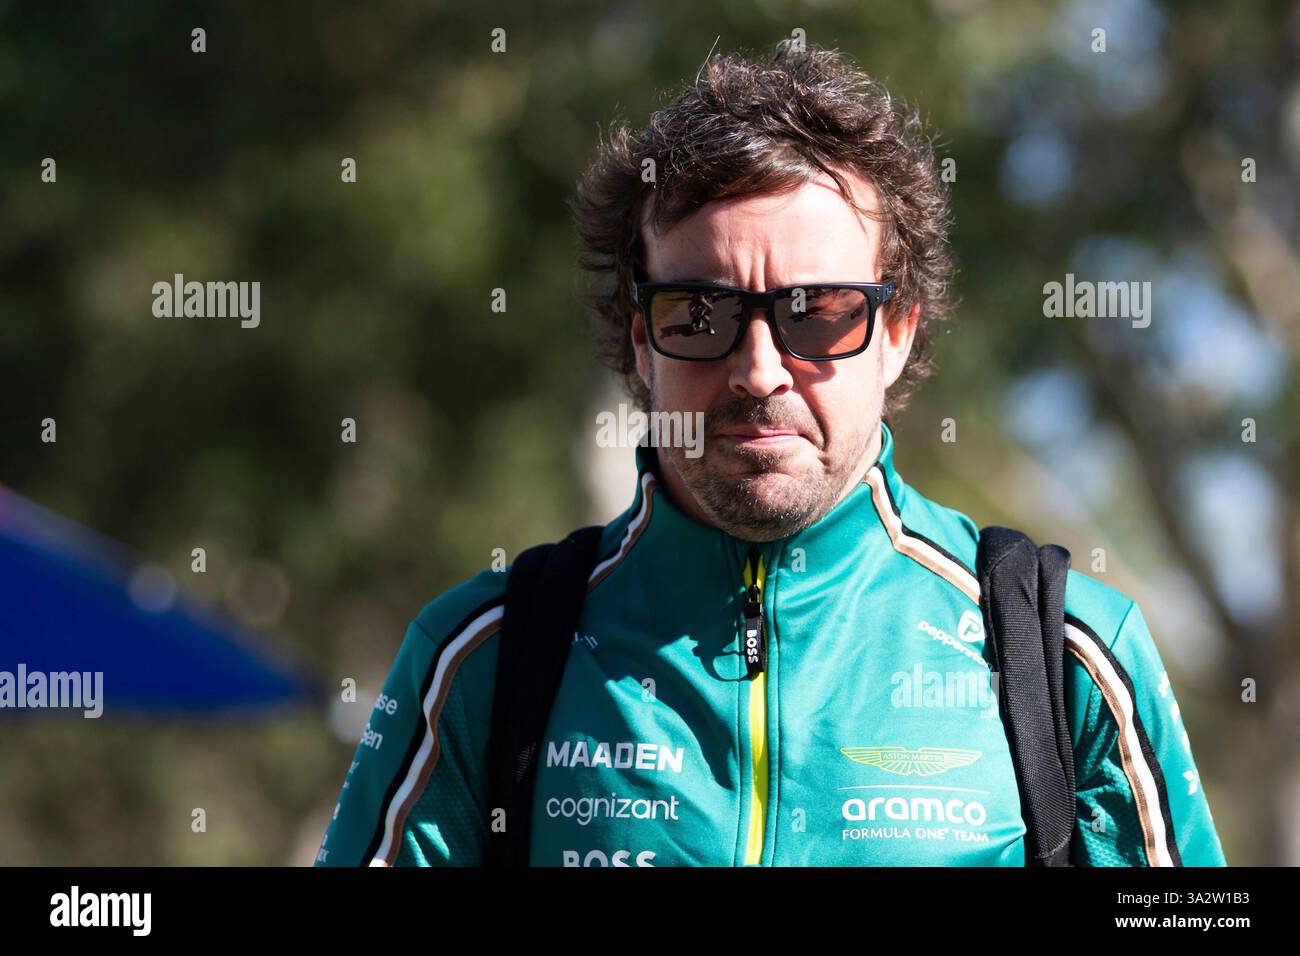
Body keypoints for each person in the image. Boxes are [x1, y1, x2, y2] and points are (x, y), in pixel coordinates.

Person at [315, 39, 1226, 867]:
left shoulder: (1063, 652)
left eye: (819, 312)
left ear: (898, 330)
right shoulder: (486, 657)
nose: (758, 371)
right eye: (697, 314)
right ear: (640, 340)